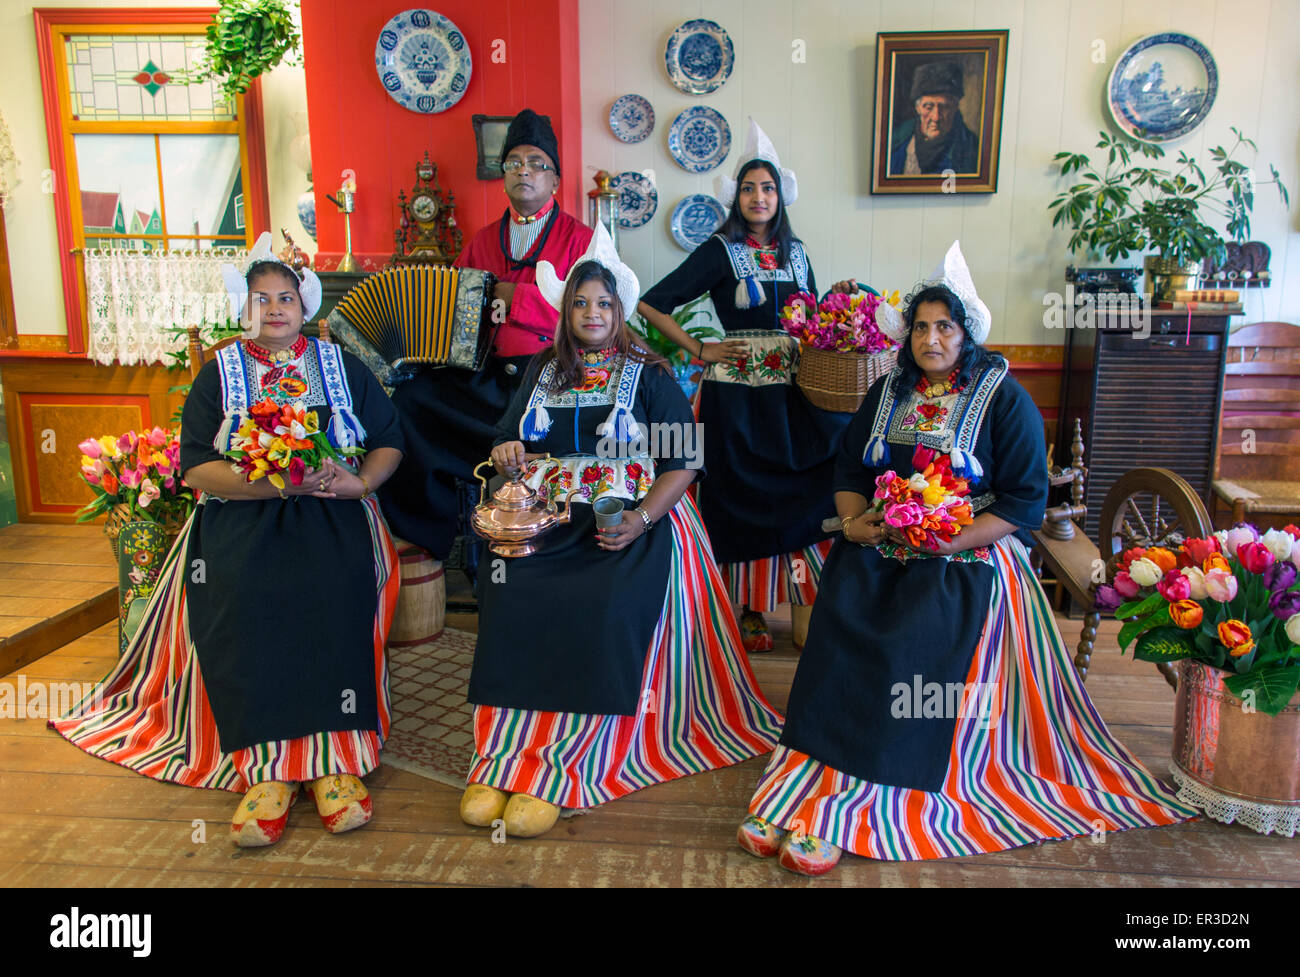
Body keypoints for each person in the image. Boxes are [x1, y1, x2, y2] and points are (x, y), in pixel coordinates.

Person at [737, 242, 1195, 875]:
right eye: (920, 326)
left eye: (943, 326)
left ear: (966, 333)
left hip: (968, 552)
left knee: (913, 638)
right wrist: (854, 524)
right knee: (841, 612)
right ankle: (811, 773)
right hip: (887, 543)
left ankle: (867, 793)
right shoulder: (888, 390)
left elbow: (1025, 502)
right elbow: (848, 468)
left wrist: (949, 540)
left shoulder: (1003, 399)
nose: (930, 337)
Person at [51, 232, 406, 847]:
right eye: (262, 299)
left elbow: (390, 438)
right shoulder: (221, 373)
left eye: (287, 298)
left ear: (305, 305)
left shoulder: (340, 365)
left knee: (339, 591)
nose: (275, 309)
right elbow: (195, 467)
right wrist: (272, 488)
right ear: (245, 308)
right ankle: (265, 771)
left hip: (334, 513)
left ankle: (335, 761)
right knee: (244, 597)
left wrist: (360, 485)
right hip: (243, 514)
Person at [459, 225, 782, 838]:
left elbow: (684, 460)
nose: (592, 313)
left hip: (630, 518)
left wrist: (641, 518)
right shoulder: (539, 372)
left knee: (601, 604)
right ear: (566, 311)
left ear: (621, 310)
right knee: (510, 597)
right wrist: (506, 448)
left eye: (603, 303)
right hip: (548, 518)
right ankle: (503, 753)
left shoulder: (650, 376)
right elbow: (506, 434)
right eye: (580, 302)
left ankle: (567, 762)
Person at [638, 119, 857, 652]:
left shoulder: (797, 251)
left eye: (768, 187)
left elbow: (811, 319)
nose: (759, 197)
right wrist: (699, 348)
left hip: (792, 392)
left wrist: (842, 296)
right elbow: (650, 303)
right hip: (735, 394)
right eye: (749, 188)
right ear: (736, 198)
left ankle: (804, 599)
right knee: (738, 492)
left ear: (781, 196)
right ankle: (747, 606)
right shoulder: (719, 250)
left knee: (806, 481)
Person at [380, 108, 594, 561]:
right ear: (503, 178)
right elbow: (454, 314)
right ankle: (426, 539)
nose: (524, 172)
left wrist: (515, 296)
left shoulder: (581, 240)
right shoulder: (481, 240)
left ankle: (538, 536)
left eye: (537, 163)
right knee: (411, 402)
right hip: (489, 379)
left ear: (555, 179)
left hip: (550, 379)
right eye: (514, 163)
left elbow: (588, 317)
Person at [888, 61, 980, 176]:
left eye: (945, 107)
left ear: (955, 107)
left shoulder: (971, 148)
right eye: (928, 107)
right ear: (918, 108)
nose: (936, 117)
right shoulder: (897, 140)